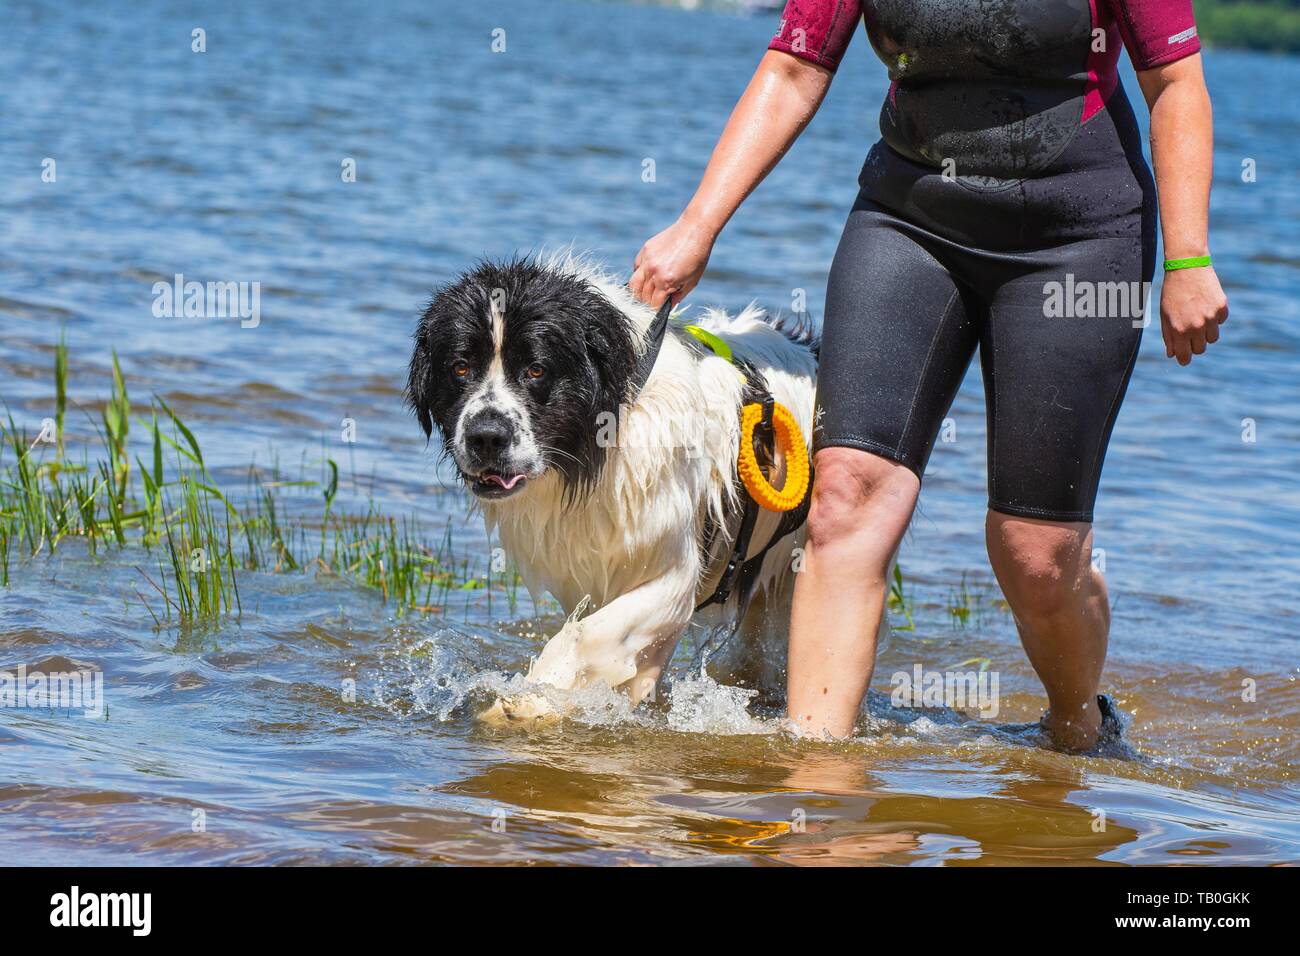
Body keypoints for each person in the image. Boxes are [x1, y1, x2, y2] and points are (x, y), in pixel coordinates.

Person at [629, 0, 1228, 749]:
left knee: (1035, 556)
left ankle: (1079, 720)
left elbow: (1175, 82)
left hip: (1077, 240)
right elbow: (791, 69)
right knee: (845, 493)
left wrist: (1189, 257)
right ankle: (818, 779)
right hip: (910, 219)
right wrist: (697, 226)